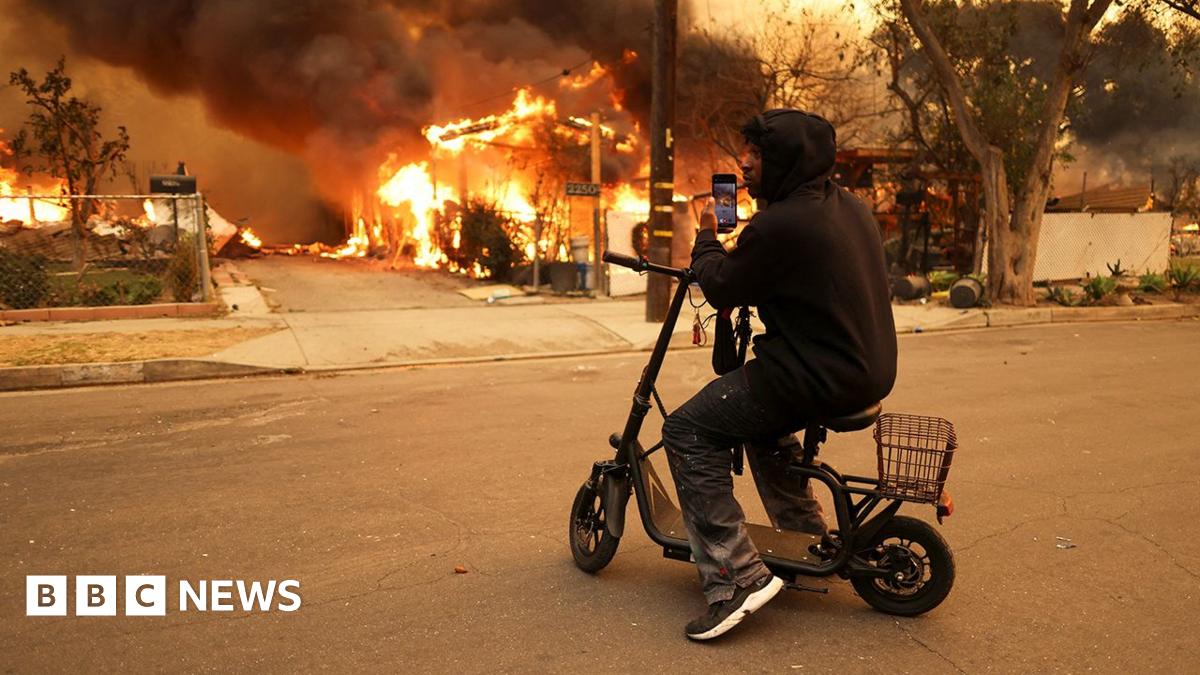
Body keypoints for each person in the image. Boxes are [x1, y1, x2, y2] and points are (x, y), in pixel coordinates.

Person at [662, 109, 897, 641]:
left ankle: (735, 578)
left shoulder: (782, 224)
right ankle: (805, 537)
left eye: (756, 155)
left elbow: (722, 287)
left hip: (814, 374)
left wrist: (705, 239)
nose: (744, 164)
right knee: (757, 424)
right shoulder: (847, 207)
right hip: (864, 367)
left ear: (786, 161)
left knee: (686, 430)